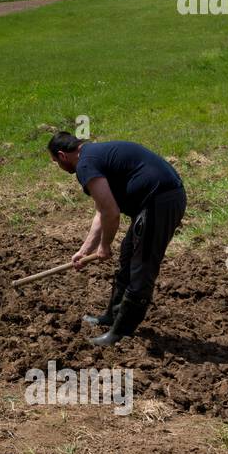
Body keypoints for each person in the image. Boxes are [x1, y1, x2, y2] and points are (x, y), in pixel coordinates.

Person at [47, 132, 187, 346]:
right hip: (156, 201)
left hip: (161, 201)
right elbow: (102, 210)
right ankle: (113, 317)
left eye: (55, 162)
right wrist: (86, 249)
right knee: (129, 255)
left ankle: (120, 332)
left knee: (142, 266)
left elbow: (111, 213)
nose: (59, 166)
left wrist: (104, 246)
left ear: (62, 156)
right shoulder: (94, 155)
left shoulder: (85, 164)